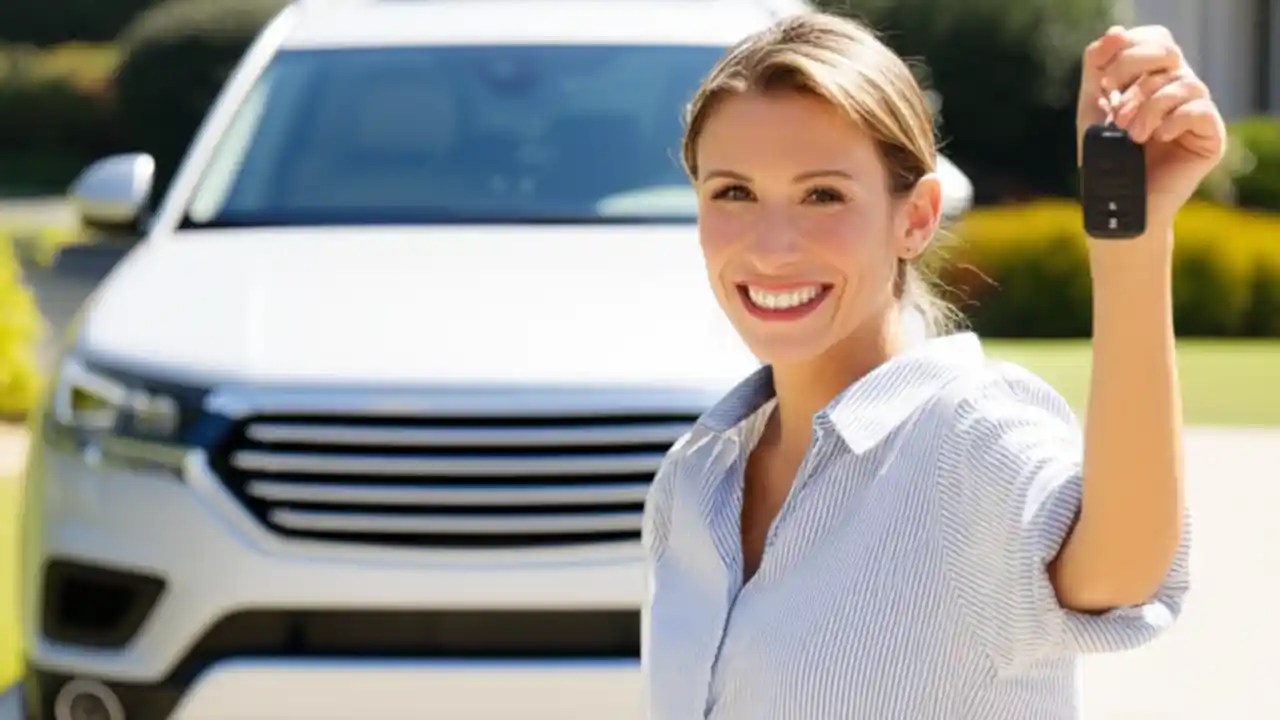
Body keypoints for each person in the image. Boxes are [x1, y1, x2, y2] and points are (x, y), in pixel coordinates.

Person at [641, 11, 1223, 720]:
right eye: (734, 192)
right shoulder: (693, 481)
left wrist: (1132, 238)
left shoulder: (968, 438)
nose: (771, 246)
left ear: (915, 219)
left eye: (823, 195)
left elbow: (1124, 567)